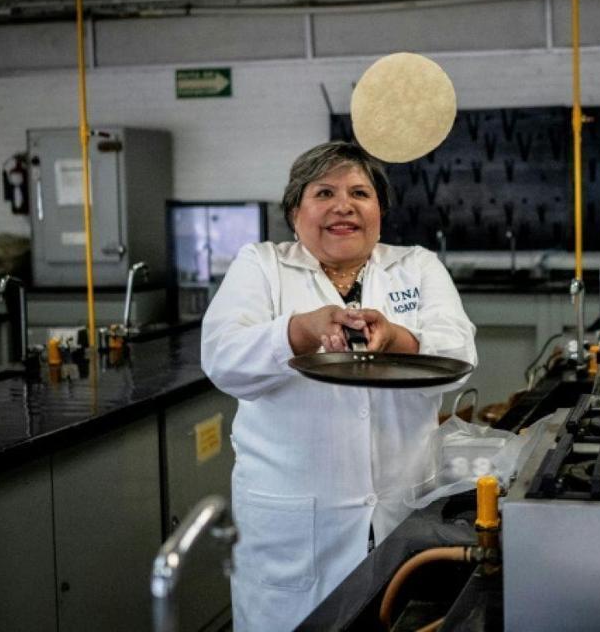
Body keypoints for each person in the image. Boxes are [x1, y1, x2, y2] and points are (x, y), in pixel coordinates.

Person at [201, 141, 478, 632]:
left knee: (394, 617)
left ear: (380, 210)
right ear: (294, 212)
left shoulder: (416, 265)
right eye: (323, 192)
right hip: (293, 525)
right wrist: (298, 331)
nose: (343, 205)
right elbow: (222, 357)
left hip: (401, 511)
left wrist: (398, 339)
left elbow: (459, 356)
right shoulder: (262, 265)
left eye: (360, 193)